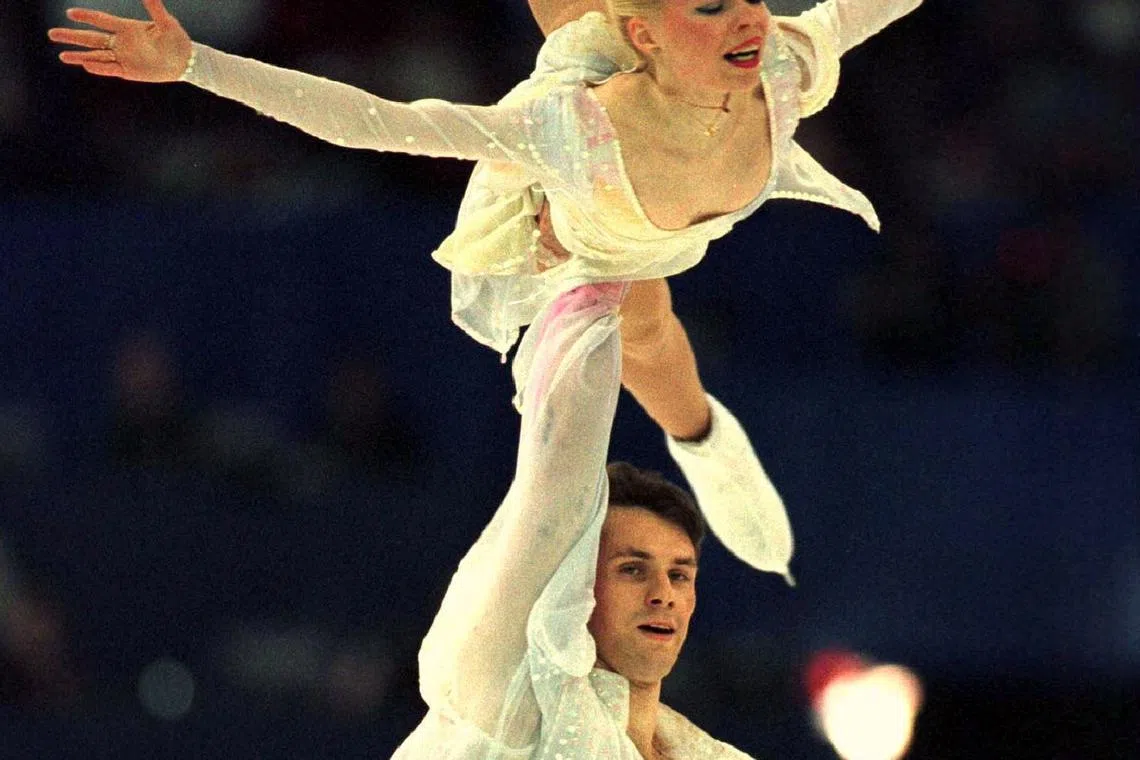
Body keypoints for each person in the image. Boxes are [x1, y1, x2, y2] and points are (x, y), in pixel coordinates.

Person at [48, 0, 922, 578]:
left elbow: (863, 7)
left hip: (642, 211)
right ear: (649, 36)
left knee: (648, 321)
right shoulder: (572, 127)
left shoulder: (782, 65)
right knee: (626, 325)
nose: (748, 18)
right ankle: (696, 441)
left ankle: (699, 437)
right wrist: (197, 63)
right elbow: (374, 124)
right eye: (710, 5)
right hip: (571, 220)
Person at [397, 281, 762, 758]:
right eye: (632, 568)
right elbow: (557, 481)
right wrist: (597, 270)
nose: (663, 595)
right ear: (575, 586)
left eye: (679, 575)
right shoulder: (507, 699)